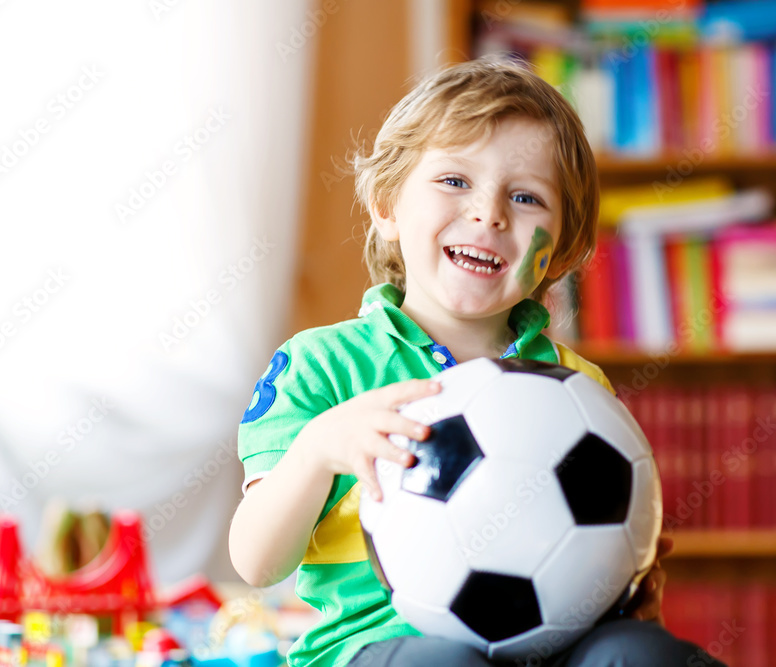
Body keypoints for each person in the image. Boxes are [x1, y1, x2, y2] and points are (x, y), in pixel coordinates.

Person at [229, 56, 727, 667]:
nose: (489, 213)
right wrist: (318, 449)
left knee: (644, 653)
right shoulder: (322, 366)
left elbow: (605, 560)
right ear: (387, 205)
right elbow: (257, 562)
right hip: (372, 652)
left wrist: (629, 590)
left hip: (550, 648)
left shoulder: (577, 390)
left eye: (525, 197)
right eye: (455, 182)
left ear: (562, 252)